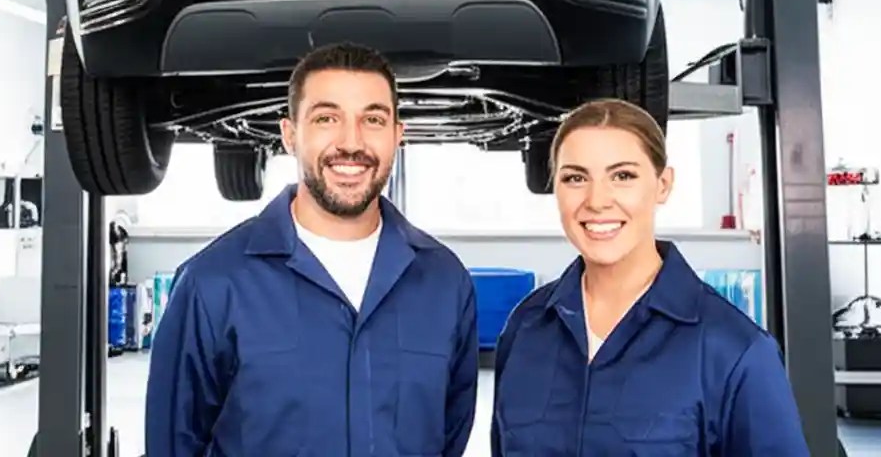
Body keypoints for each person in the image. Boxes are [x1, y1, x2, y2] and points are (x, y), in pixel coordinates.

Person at [145, 42, 479, 457]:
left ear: (398, 136)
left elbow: (450, 434)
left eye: (372, 119)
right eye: (326, 118)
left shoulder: (445, 282)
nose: (351, 143)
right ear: (290, 135)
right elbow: (173, 443)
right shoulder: (211, 284)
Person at [491, 98, 809, 456]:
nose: (597, 200)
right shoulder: (526, 327)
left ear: (663, 185)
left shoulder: (734, 349)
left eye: (623, 176)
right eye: (575, 178)